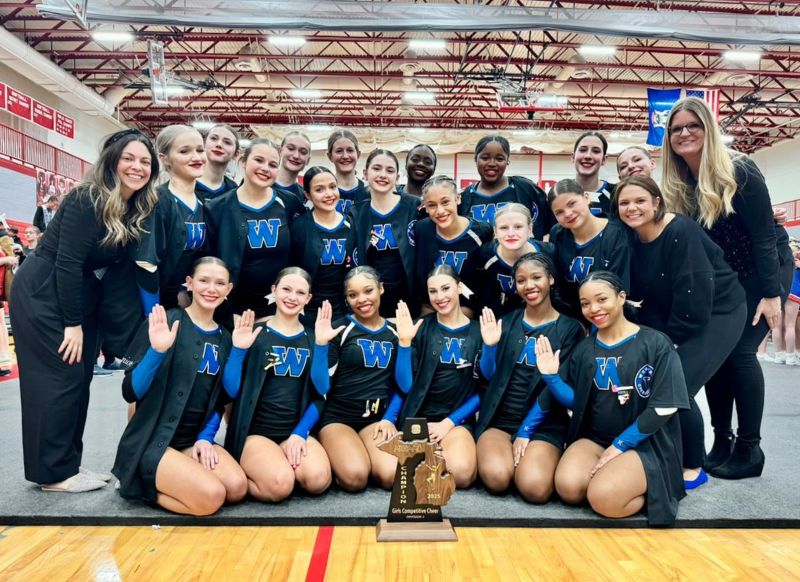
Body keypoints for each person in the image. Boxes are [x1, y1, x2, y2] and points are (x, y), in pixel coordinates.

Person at [11, 128, 160, 492]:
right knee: (58, 381)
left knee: (79, 381)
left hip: (78, 296)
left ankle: (67, 465)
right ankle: (52, 475)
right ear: (111, 161)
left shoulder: (132, 207)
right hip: (46, 293)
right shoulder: (87, 198)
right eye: (129, 158)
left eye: (145, 161)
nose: (137, 167)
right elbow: (66, 263)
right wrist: (72, 324)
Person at [661, 96, 794, 479]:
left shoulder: (741, 170)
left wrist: (772, 296)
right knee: (717, 358)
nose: (684, 133)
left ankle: (750, 450)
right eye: (676, 128)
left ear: (708, 129)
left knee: (740, 354)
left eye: (693, 126)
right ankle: (722, 442)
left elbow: (765, 238)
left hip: (763, 272)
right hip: (724, 279)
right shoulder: (678, 181)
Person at [613, 175, 747, 488]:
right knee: (653, 380)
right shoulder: (630, 238)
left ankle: (693, 466)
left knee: (677, 387)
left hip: (718, 311)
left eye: (640, 201)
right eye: (624, 203)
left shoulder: (680, 231)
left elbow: (695, 296)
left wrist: (669, 342)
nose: (632, 208)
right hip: (672, 312)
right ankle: (667, 453)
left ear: (657, 202)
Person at [534, 272, 689, 526]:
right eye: (585, 303)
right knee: (568, 487)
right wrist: (551, 377)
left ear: (621, 298)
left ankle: (648, 487)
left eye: (601, 299)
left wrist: (620, 445)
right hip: (596, 439)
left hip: (645, 445)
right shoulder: (585, 348)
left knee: (604, 499)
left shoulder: (656, 343)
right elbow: (576, 401)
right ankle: (613, 479)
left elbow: (665, 407)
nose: (594, 309)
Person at [113, 258, 260, 515]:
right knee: (212, 498)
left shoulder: (225, 338)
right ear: (189, 283)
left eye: (219, 283)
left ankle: (180, 474)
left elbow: (225, 397)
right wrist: (157, 352)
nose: (211, 289)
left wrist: (237, 350)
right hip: (154, 438)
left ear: (229, 290)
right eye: (204, 280)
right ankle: (135, 481)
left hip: (191, 440)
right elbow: (131, 392)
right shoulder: (164, 321)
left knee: (236, 488)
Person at [475, 253, 584, 501]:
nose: (529, 286)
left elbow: (555, 388)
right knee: (497, 478)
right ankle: (511, 461)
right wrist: (490, 346)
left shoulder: (570, 329)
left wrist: (526, 430)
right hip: (500, 420)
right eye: (521, 280)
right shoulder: (507, 321)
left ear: (551, 279)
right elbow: (489, 375)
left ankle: (532, 464)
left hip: (544, 424)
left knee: (534, 488)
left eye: (536, 277)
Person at [225, 267, 332, 502]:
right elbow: (229, 391)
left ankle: (280, 459)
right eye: (286, 289)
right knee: (280, 486)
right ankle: (245, 475)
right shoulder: (253, 334)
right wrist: (237, 350)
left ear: (308, 299)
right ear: (274, 290)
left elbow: (321, 393)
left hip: (294, 431)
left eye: (300, 292)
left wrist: (299, 433)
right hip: (255, 433)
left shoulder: (314, 337)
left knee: (318, 480)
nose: (292, 297)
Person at [394, 266, 483, 488]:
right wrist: (404, 344)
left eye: (445, 288)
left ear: (459, 287)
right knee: (391, 475)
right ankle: (430, 458)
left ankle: (436, 458)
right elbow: (405, 385)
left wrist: (449, 422)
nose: (440, 297)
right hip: (418, 418)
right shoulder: (421, 328)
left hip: (455, 420)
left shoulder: (479, 331)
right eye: (433, 291)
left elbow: (485, 390)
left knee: (461, 474)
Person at [316, 267, 404, 491]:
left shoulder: (395, 332)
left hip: (375, 421)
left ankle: (364, 455)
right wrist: (321, 346)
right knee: (355, 478)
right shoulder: (340, 329)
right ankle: (339, 457)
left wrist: (389, 418)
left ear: (381, 289)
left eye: (368, 291)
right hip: (338, 419)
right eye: (353, 295)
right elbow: (321, 386)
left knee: (391, 476)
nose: (362, 300)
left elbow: (404, 386)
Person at [206, 139, 306, 324]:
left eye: (273, 164)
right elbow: (208, 260)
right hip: (231, 308)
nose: (265, 168)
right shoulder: (217, 207)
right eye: (259, 160)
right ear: (242, 161)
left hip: (280, 308)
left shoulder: (290, 203)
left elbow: (301, 253)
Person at [135, 125, 208, 314]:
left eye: (200, 150)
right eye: (185, 151)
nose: (196, 157)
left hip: (181, 302)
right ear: (164, 158)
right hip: (152, 305)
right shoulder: (157, 201)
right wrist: (153, 316)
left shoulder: (204, 202)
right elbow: (146, 265)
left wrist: (184, 289)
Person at [548, 178, 631, 321]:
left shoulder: (616, 233)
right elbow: (558, 284)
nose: (568, 213)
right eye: (559, 212)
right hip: (571, 316)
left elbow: (619, 288)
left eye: (572, 204)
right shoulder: (557, 234)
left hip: (607, 316)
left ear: (586, 197)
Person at [350, 149, 419, 318]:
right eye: (377, 168)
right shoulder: (356, 213)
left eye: (390, 170)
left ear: (397, 177)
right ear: (365, 174)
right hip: (370, 302)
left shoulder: (414, 207)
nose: (383, 175)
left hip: (409, 300)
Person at [414, 175, 492, 318]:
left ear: (457, 198)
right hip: (429, 312)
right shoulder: (421, 229)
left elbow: (486, 283)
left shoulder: (481, 232)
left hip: (466, 314)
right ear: (425, 206)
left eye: (445, 202)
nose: (440, 211)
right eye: (432, 205)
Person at [458, 135, 554, 240]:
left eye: (499, 159)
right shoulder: (464, 198)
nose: (492, 163)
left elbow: (550, 226)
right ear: (475, 159)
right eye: (485, 158)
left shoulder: (526, 189)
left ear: (508, 161)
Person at [290, 166, 355, 322]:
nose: (329, 194)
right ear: (308, 195)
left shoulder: (351, 224)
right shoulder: (299, 227)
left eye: (333, 187)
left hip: (342, 309)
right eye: (319, 190)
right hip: (307, 310)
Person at [478, 203, 554, 317]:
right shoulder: (485, 254)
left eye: (518, 227)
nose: (511, 234)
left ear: (530, 229)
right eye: (504, 228)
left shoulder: (549, 252)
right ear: (495, 231)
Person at [572, 131, 615, 216]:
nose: (588, 156)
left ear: (604, 160)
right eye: (583, 150)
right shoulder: (559, 192)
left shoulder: (616, 194)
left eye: (596, 151)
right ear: (573, 157)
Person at [326, 130, 369, 215]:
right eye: (339, 151)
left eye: (350, 150)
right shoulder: (323, 192)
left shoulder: (369, 192)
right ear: (330, 156)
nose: (345, 156)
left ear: (358, 154)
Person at [196, 124, 240, 201]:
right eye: (213, 138)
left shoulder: (234, 191)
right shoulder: (185, 182)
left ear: (236, 154)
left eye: (227, 142)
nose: (219, 144)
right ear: (204, 144)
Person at [273, 131, 312, 203]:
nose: (296, 156)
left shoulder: (305, 197)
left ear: (308, 160)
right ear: (280, 151)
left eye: (303, 152)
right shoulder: (261, 186)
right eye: (291, 148)